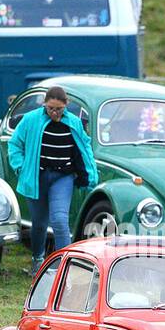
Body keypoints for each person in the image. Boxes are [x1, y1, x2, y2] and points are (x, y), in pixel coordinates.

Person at [7, 85, 98, 275]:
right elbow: (14, 144)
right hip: (36, 176)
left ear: (66, 105)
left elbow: (86, 147)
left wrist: (90, 173)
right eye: (50, 108)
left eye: (59, 109)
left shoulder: (74, 122)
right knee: (39, 223)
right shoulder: (31, 120)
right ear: (44, 105)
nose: (54, 113)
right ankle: (38, 259)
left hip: (63, 178)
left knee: (59, 220)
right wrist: (20, 166)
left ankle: (64, 268)